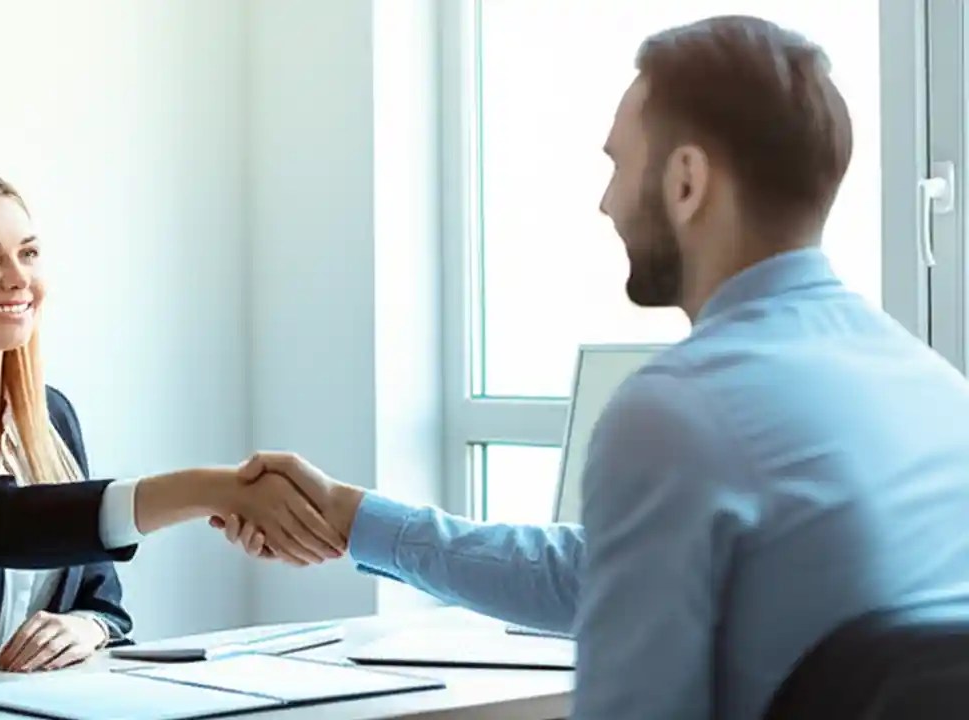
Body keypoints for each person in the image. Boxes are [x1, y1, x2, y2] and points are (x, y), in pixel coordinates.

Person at [216, 15, 969, 720]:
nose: (607, 202)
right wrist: (360, 523)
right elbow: (590, 576)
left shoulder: (681, 412)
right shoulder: (936, 392)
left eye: (618, 163)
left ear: (685, 181)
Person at [0, 170, 345, 673]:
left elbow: (103, 600)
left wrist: (86, 626)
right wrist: (208, 490)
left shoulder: (49, 418)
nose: (18, 278)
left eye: (29, 253)